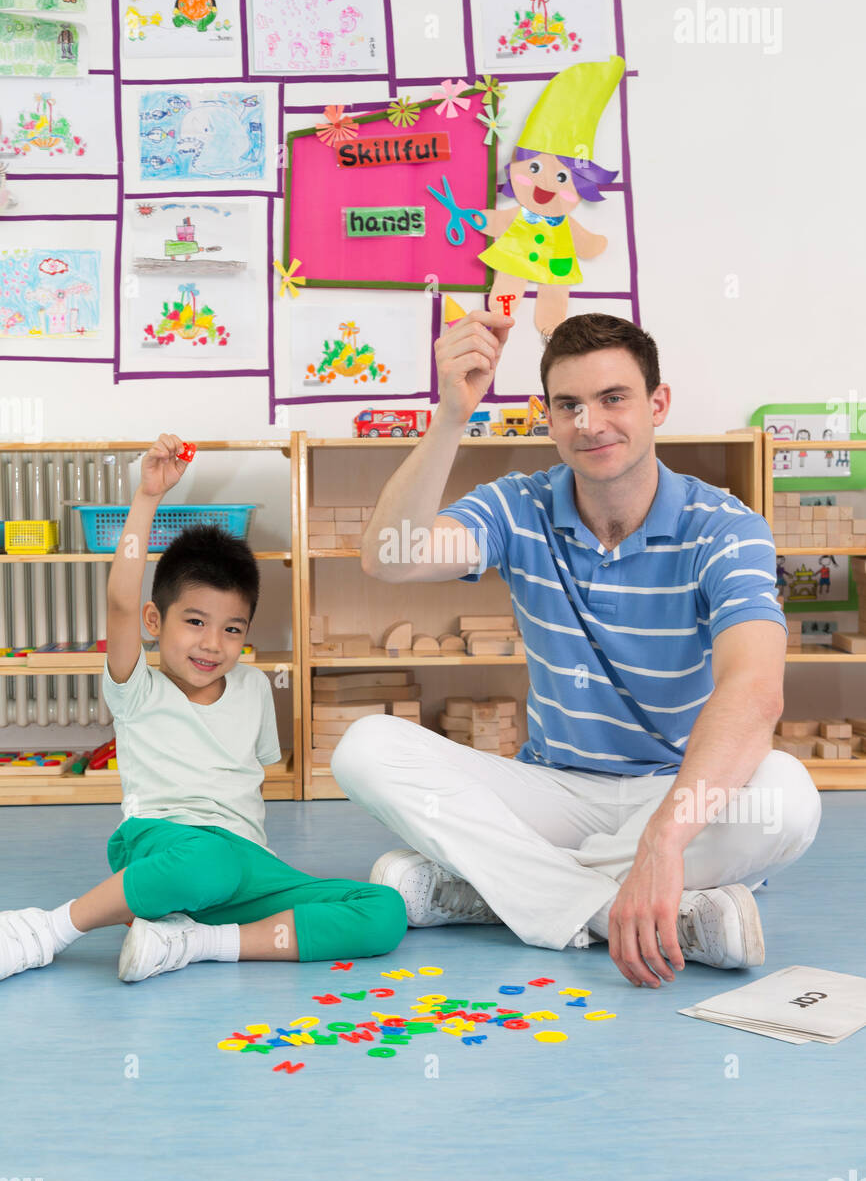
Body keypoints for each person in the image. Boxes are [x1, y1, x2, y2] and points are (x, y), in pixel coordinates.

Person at [332, 312, 822, 989]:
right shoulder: (518, 506)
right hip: (554, 789)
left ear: (658, 405)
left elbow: (755, 690)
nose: (591, 423)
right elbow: (390, 559)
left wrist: (664, 839)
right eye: (569, 406)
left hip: (678, 794)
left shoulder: (726, 528)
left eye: (613, 398)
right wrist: (450, 417)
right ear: (550, 418)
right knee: (365, 747)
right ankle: (625, 912)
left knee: (789, 798)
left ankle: (493, 893)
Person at [0, 433, 405, 984]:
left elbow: (252, 782)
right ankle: (49, 929)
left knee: (382, 912)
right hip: (166, 846)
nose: (213, 643)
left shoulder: (256, 688)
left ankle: (199, 942)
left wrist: (241, 868)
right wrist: (147, 497)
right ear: (153, 622)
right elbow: (118, 601)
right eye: (194, 621)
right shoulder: (137, 687)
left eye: (231, 628)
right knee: (204, 862)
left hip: (245, 868)